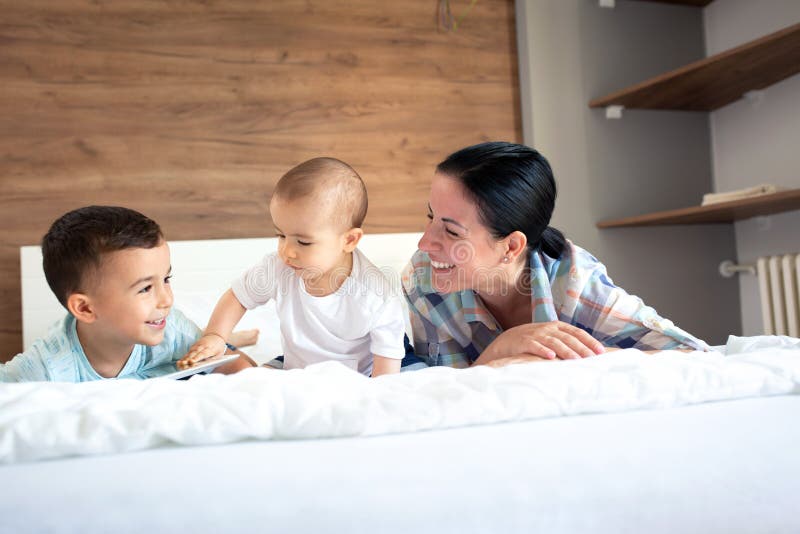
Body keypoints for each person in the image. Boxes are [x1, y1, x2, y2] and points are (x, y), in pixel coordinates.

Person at [402, 142, 709, 369]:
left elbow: (694, 358)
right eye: (431, 217)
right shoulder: (424, 277)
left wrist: (567, 360)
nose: (425, 243)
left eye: (452, 232)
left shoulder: (577, 285)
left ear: (511, 247)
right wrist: (502, 350)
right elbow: (442, 390)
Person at [179, 157, 406, 377]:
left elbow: (385, 374)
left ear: (348, 241)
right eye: (280, 235)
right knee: (250, 381)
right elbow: (237, 297)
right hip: (296, 367)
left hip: (358, 374)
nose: (287, 251)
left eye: (304, 242)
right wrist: (216, 335)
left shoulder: (375, 295)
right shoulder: (279, 267)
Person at [0, 206, 254, 382]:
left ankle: (236, 336)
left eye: (166, 279)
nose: (166, 300)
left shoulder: (172, 328)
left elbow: (239, 367)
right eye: (145, 288)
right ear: (86, 309)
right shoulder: (48, 366)